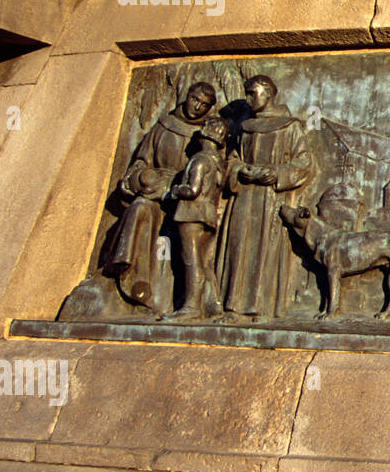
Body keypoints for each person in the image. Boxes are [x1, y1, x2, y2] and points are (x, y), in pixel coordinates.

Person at [104, 82, 216, 314]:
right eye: (195, 99)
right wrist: (141, 178)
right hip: (155, 192)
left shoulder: (207, 135)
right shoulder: (163, 126)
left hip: (184, 200)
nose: (197, 107)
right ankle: (129, 274)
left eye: (204, 105)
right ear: (187, 96)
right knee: (139, 207)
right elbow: (142, 161)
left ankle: (172, 300)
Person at [216, 75, 316, 319]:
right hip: (244, 197)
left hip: (271, 199)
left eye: (254, 93)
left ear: (269, 94)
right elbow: (233, 158)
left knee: (266, 250)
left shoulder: (289, 126)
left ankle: (261, 307)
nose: (249, 99)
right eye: (247, 93)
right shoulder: (246, 128)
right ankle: (231, 306)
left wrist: (275, 173)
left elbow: (304, 161)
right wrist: (240, 170)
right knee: (237, 248)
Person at [167, 116, 229, 320]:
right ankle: (211, 305)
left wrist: (175, 190)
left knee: (191, 260)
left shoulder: (200, 159)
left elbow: (192, 189)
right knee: (204, 262)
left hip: (192, 215)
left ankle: (191, 307)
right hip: (209, 215)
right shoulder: (218, 162)